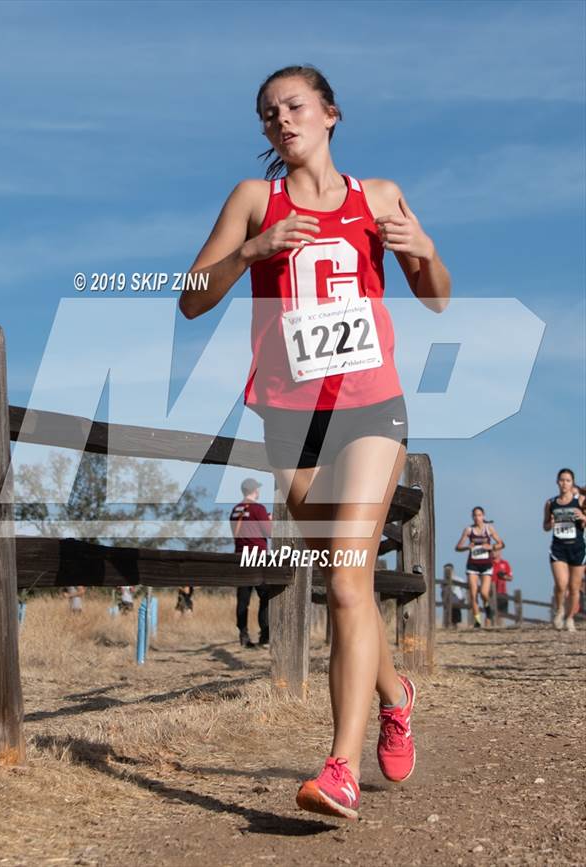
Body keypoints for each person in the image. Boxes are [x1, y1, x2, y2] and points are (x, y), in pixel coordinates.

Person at [179, 64, 451, 819]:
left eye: (293, 106)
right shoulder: (252, 200)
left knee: (344, 581)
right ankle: (396, 694)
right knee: (346, 577)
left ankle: (339, 768)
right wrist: (250, 252)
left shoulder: (380, 196)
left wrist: (422, 245)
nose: (280, 120)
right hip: (290, 416)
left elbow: (435, 297)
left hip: (371, 405)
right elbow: (191, 299)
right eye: (268, 114)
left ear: (330, 113)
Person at [229, 478, 272, 647]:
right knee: (266, 596)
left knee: (243, 598)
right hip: (258, 556)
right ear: (255, 490)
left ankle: (243, 634)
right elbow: (269, 532)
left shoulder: (235, 509)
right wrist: (269, 519)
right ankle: (265, 633)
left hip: (240, 556)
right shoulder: (258, 509)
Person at [544, 468, 586, 632]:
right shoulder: (551, 503)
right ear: (557, 482)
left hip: (577, 549)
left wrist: (583, 517)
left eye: (568, 480)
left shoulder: (581, 500)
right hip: (558, 548)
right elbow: (545, 526)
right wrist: (551, 523)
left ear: (572, 483)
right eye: (562, 480)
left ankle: (569, 618)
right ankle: (560, 609)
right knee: (561, 585)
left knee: (575, 588)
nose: (564, 483)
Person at [455, 507, 504, 628]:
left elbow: (501, 544)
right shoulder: (468, 530)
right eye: (475, 515)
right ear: (472, 517)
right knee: (473, 593)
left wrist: (491, 547)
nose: (477, 518)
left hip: (486, 565)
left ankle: (487, 606)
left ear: (484, 516)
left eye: (480, 515)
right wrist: (467, 547)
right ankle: (477, 621)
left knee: (483, 593)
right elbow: (457, 547)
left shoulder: (489, 529)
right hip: (472, 565)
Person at [490, 549, 513, 626]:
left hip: (502, 592)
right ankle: (491, 629)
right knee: (490, 613)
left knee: (501, 615)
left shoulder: (505, 563)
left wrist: (503, 576)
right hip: (490, 592)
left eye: (495, 550)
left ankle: (500, 629)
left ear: (500, 552)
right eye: (492, 551)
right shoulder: (488, 563)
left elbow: (510, 578)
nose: (493, 552)